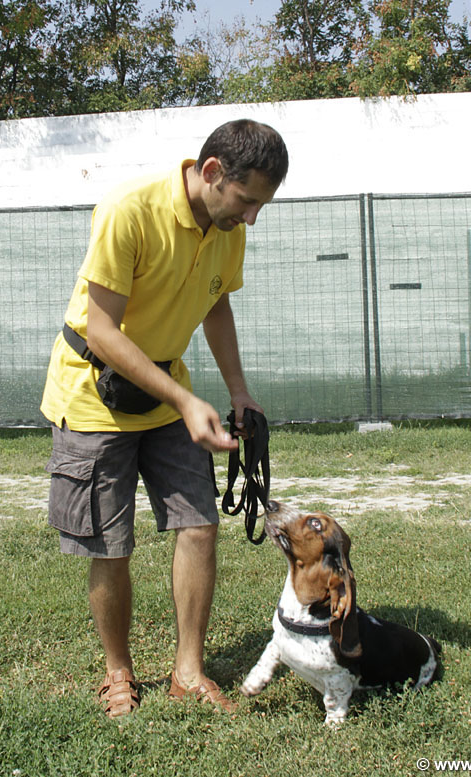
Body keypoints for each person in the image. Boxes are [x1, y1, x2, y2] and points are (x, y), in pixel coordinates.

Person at [40, 118, 289, 718]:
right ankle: (118, 672)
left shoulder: (228, 228)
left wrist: (237, 390)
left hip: (166, 390)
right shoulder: (130, 209)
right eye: (247, 199)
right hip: (93, 397)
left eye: (261, 205)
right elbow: (101, 330)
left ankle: (188, 671)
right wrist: (185, 400)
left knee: (200, 524)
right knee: (111, 544)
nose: (251, 217)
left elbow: (216, 301)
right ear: (212, 173)